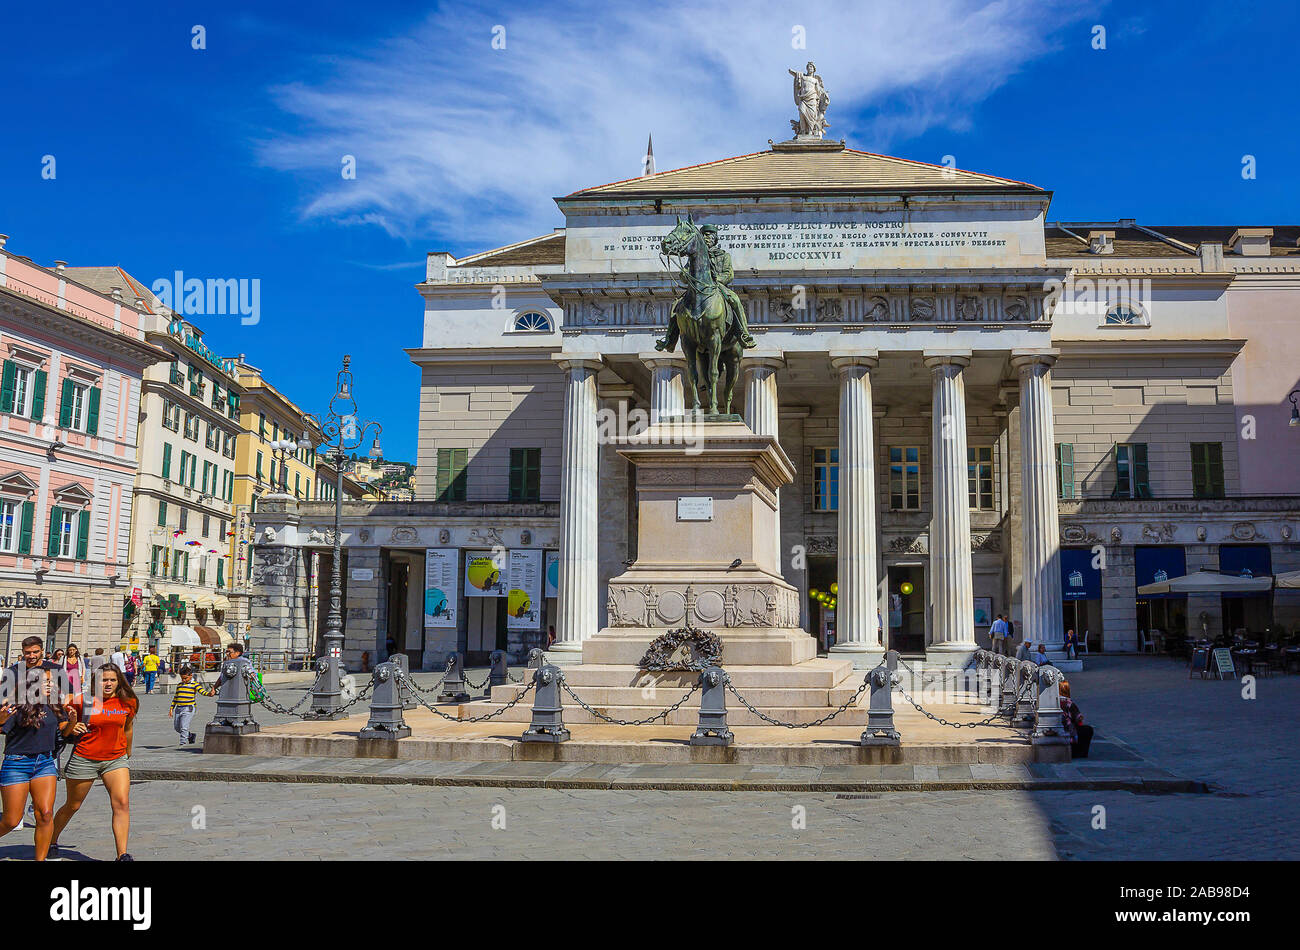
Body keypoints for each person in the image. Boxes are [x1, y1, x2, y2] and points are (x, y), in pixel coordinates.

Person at [49, 664, 137, 861]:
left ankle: (122, 855)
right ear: (96, 682)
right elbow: (59, 719)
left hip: (115, 759)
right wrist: (71, 725)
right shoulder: (83, 701)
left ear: (119, 682)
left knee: (121, 803)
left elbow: (128, 727)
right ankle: (51, 839)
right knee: (73, 805)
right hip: (84, 758)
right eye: (104, 680)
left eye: (112, 680)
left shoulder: (128, 702)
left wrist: (127, 752)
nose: (108, 684)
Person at [0, 665, 78, 861]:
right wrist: (0, 720)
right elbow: (2, 727)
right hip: (17, 764)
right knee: (11, 820)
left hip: (45, 763)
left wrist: (72, 722)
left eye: (51, 682)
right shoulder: (17, 706)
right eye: (45, 682)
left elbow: (64, 733)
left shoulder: (54, 705)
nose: (50, 685)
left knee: (45, 813)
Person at [168, 667, 213, 746]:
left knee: (184, 727)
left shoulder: (195, 684)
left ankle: (183, 743)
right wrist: (171, 708)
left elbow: (202, 691)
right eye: (182, 678)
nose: (184, 680)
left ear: (190, 676)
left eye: (185, 678)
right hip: (178, 708)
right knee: (177, 727)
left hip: (188, 708)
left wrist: (209, 694)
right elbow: (176, 697)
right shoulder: (179, 685)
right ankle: (190, 736)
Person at [1058, 680, 1094, 758]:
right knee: (1088, 730)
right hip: (1068, 732)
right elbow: (1078, 718)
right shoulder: (1069, 703)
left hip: (1057, 729)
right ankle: (1082, 753)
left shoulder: (1052, 701)